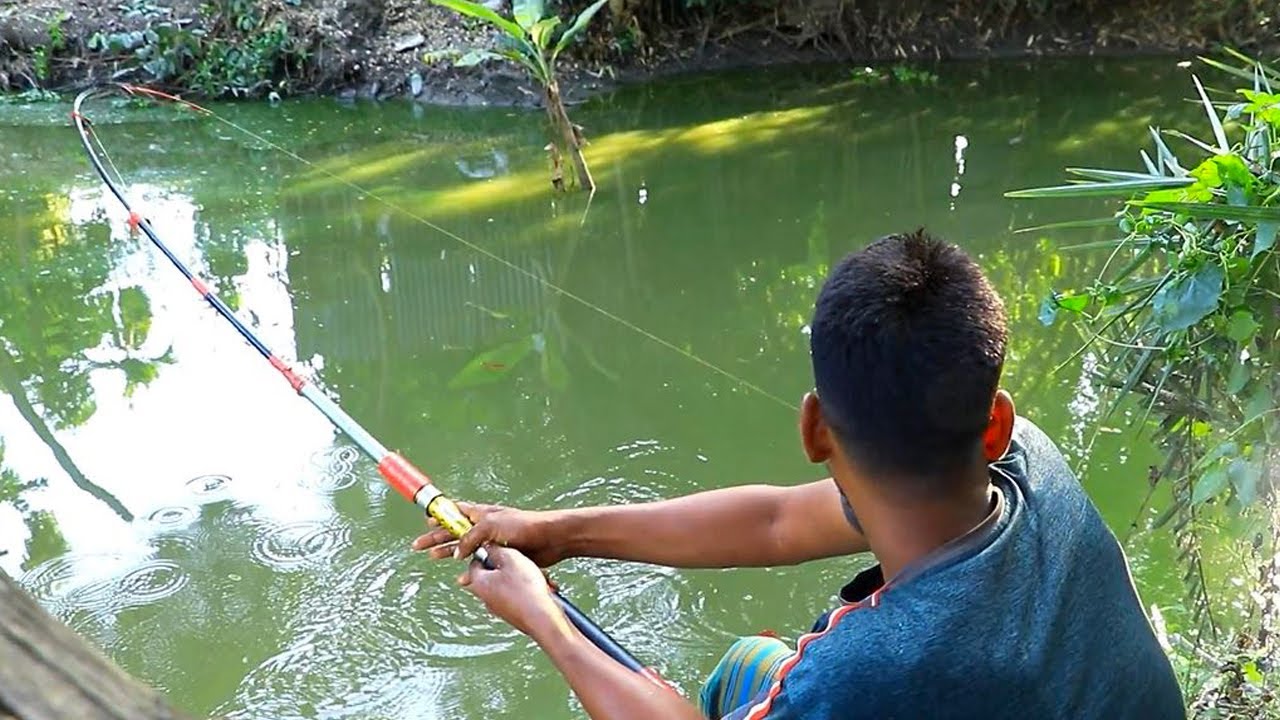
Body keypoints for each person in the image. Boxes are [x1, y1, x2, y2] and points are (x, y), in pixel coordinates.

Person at [411, 230, 1186, 719]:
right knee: (754, 661)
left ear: (814, 429)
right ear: (996, 419)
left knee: (749, 676)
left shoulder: (866, 671)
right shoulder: (1025, 463)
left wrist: (545, 622)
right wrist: (555, 532)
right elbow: (775, 521)